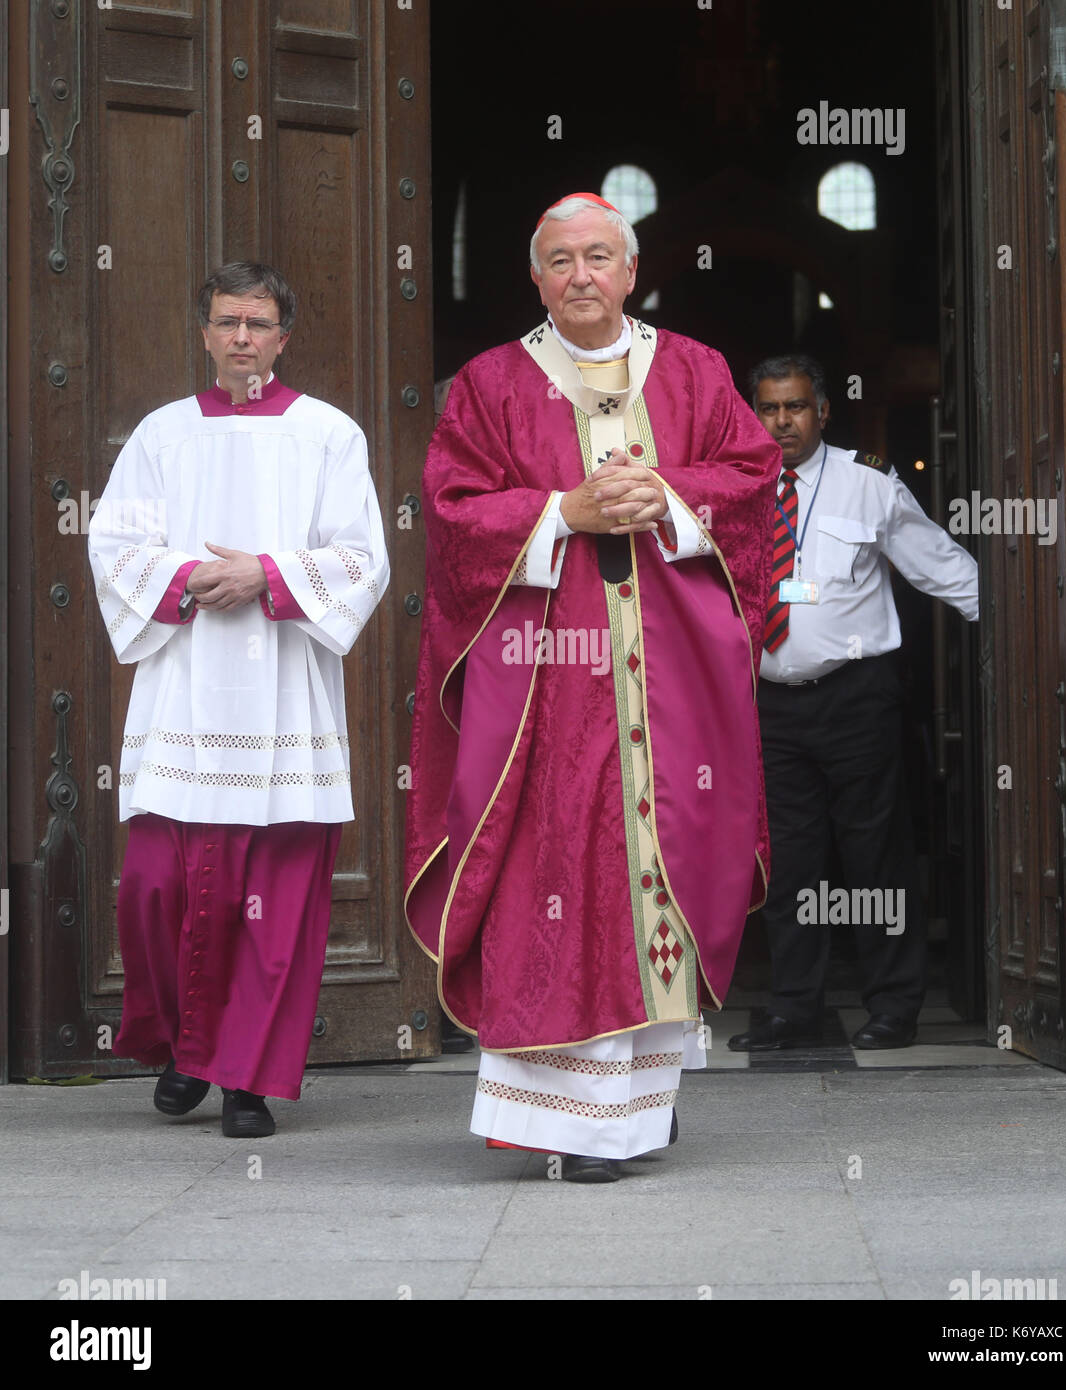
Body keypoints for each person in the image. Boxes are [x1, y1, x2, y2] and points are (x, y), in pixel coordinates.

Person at [405, 193, 781, 1181]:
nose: (580, 275)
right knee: (555, 873)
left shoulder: (694, 369)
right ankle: (566, 1126)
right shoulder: (490, 383)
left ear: (631, 267)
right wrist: (560, 510)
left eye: (598, 257)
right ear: (535, 277)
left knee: (657, 873)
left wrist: (670, 496)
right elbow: (451, 516)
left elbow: (753, 476)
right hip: (547, 689)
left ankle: (632, 1118)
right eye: (560, 260)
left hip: (670, 682)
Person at [88, 262, 389, 1136]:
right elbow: (113, 543)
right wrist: (192, 577)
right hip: (184, 689)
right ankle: (185, 1049)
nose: (243, 339)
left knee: (275, 902)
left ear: (284, 337)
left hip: (284, 696)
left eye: (259, 324)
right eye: (228, 323)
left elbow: (363, 557)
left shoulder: (329, 435)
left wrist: (264, 573)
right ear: (207, 333)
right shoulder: (162, 435)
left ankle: (246, 1078)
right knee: (155, 888)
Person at [729, 354, 978, 1053]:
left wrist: (1019, 625)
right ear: (754, 413)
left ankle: (893, 1005)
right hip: (771, 705)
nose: (782, 421)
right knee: (790, 862)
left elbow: (936, 563)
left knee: (874, 857)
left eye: (796, 407)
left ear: (823, 411)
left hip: (855, 699)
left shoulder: (866, 482)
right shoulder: (735, 487)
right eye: (770, 408)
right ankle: (792, 1008)